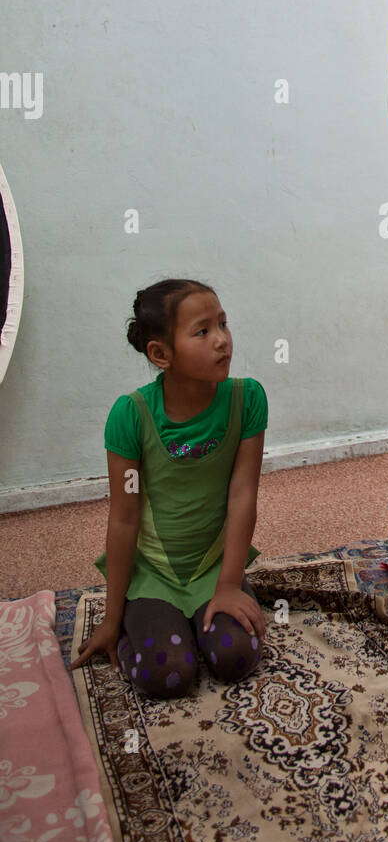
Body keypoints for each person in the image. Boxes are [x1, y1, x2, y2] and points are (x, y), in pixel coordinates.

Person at [70, 280, 268, 699]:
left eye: (224, 325)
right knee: (168, 675)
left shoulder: (247, 400)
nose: (221, 341)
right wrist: (110, 618)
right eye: (202, 331)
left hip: (213, 567)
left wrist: (229, 584)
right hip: (154, 576)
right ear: (160, 354)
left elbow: (243, 495)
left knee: (234, 658)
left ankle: (208, 610)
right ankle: (136, 626)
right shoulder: (131, 416)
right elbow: (123, 519)